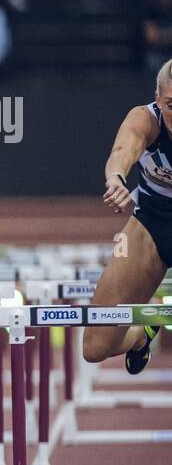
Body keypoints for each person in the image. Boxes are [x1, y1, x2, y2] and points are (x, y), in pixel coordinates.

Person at [84, 59, 172, 372]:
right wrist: (116, 179)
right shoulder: (145, 119)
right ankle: (139, 334)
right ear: (158, 100)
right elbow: (123, 152)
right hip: (150, 224)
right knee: (95, 347)